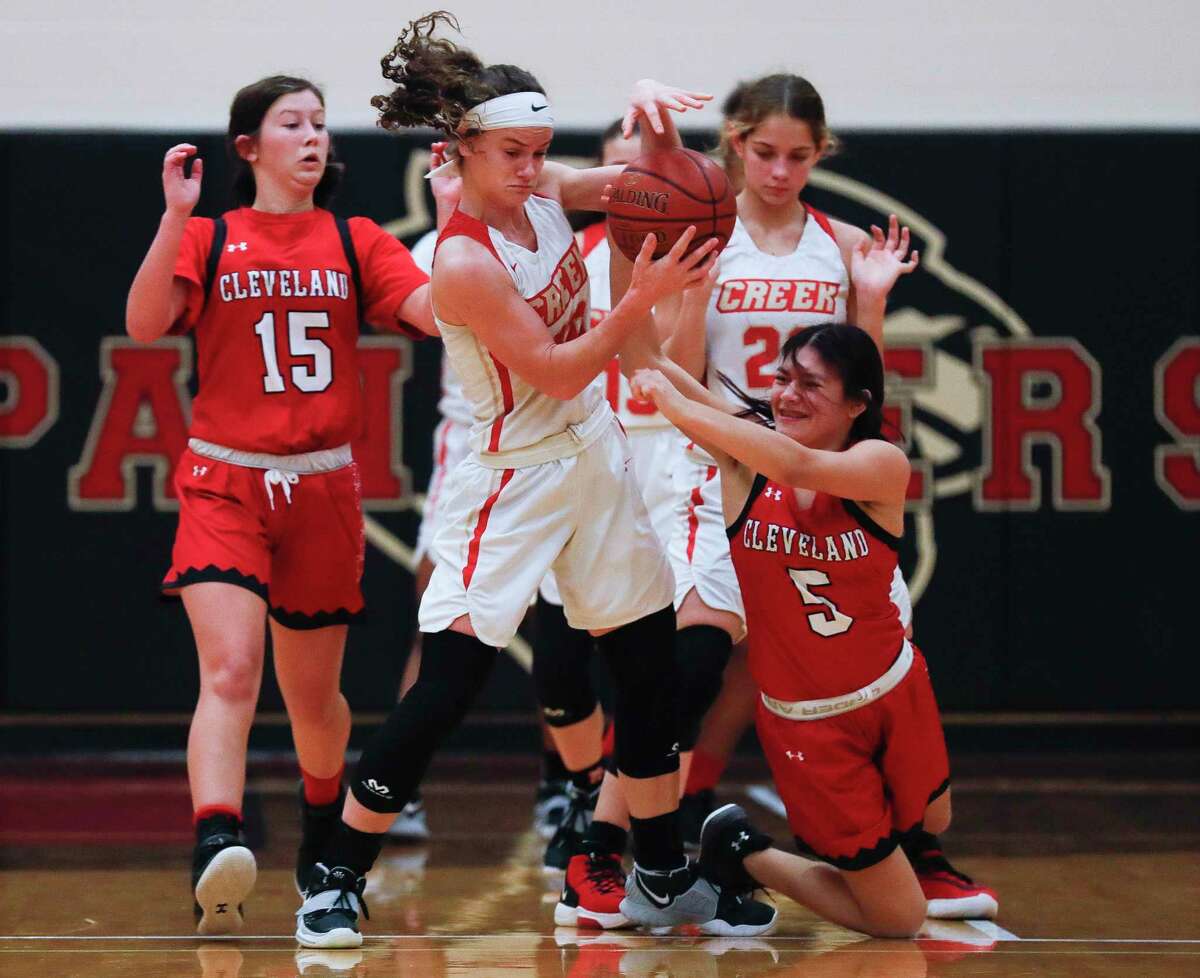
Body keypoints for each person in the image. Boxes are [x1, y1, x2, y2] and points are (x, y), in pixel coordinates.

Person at [293, 11, 775, 948]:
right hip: (511, 476)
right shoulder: (463, 259)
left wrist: (659, 140)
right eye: (513, 151)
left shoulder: (545, 188)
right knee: (447, 691)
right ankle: (336, 873)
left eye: (541, 150)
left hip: (593, 454)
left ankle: (662, 873)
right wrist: (638, 297)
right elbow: (555, 370)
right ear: (461, 149)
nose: (531, 166)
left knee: (646, 676)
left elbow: (644, 190)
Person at [672, 74, 997, 918]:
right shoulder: (704, 236)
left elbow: (862, 376)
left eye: (800, 156)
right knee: (700, 659)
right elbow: (675, 366)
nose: (781, 171)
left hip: (824, 473)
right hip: (732, 460)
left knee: (866, 637)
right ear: (735, 143)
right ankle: (636, 826)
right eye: (764, 151)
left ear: (822, 156)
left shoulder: (842, 242)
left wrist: (876, 297)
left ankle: (910, 847)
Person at [125, 75, 436, 935]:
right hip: (224, 479)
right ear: (247, 147)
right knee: (229, 671)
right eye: (291, 123)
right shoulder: (213, 236)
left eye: (321, 125)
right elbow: (146, 322)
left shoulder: (356, 238)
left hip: (323, 487)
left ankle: (319, 827)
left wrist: (467, 222)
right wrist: (172, 216)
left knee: (314, 700)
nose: (312, 137)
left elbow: (435, 309)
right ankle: (215, 838)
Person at [629, 322, 997, 937]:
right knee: (899, 920)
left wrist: (675, 404)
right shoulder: (745, 460)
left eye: (810, 384)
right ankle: (742, 849)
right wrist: (631, 297)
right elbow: (642, 353)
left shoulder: (880, 464)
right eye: (781, 378)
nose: (787, 394)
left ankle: (876, 849)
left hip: (895, 691)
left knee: (935, 818)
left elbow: (796, 462)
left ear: (859, 403)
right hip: (809, 724)